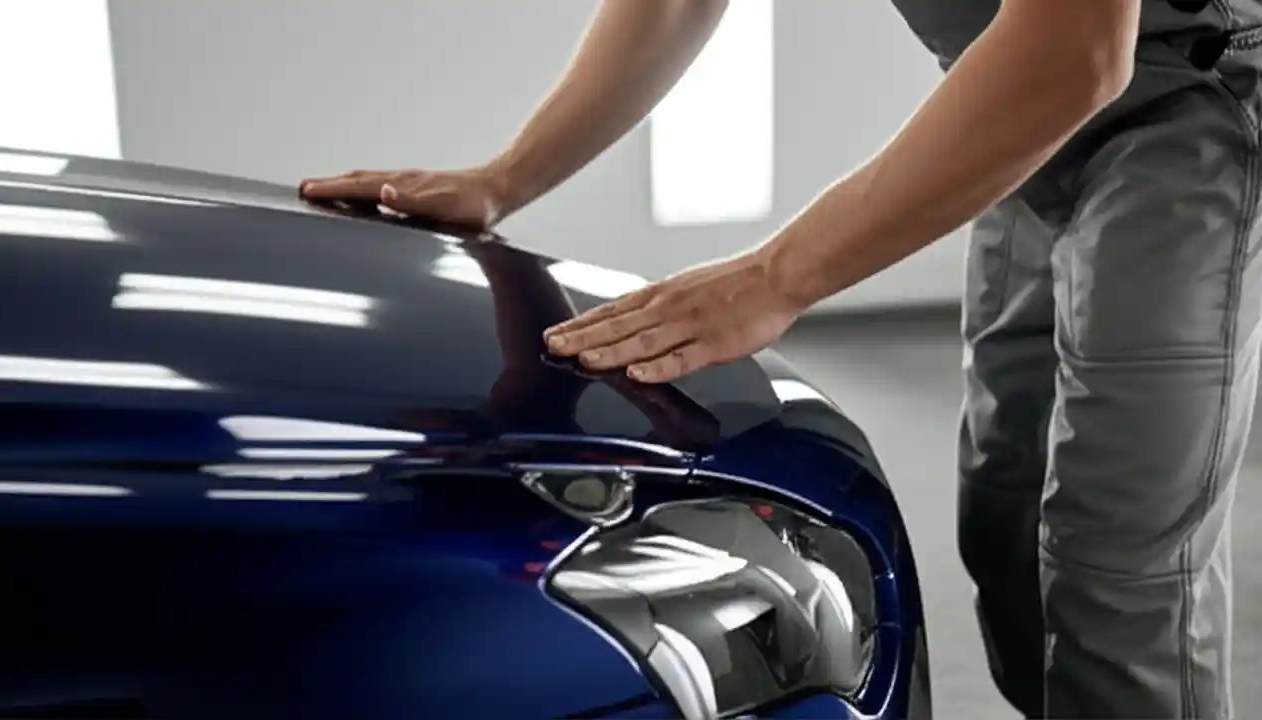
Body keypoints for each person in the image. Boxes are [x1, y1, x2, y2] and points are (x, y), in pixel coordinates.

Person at [301, 0, 1262, 716]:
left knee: (1118, 565)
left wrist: (774, 278)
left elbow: (1077, 51)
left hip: (1189, 105)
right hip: (1030, 113)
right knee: (1011, 539)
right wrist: (508, 178)